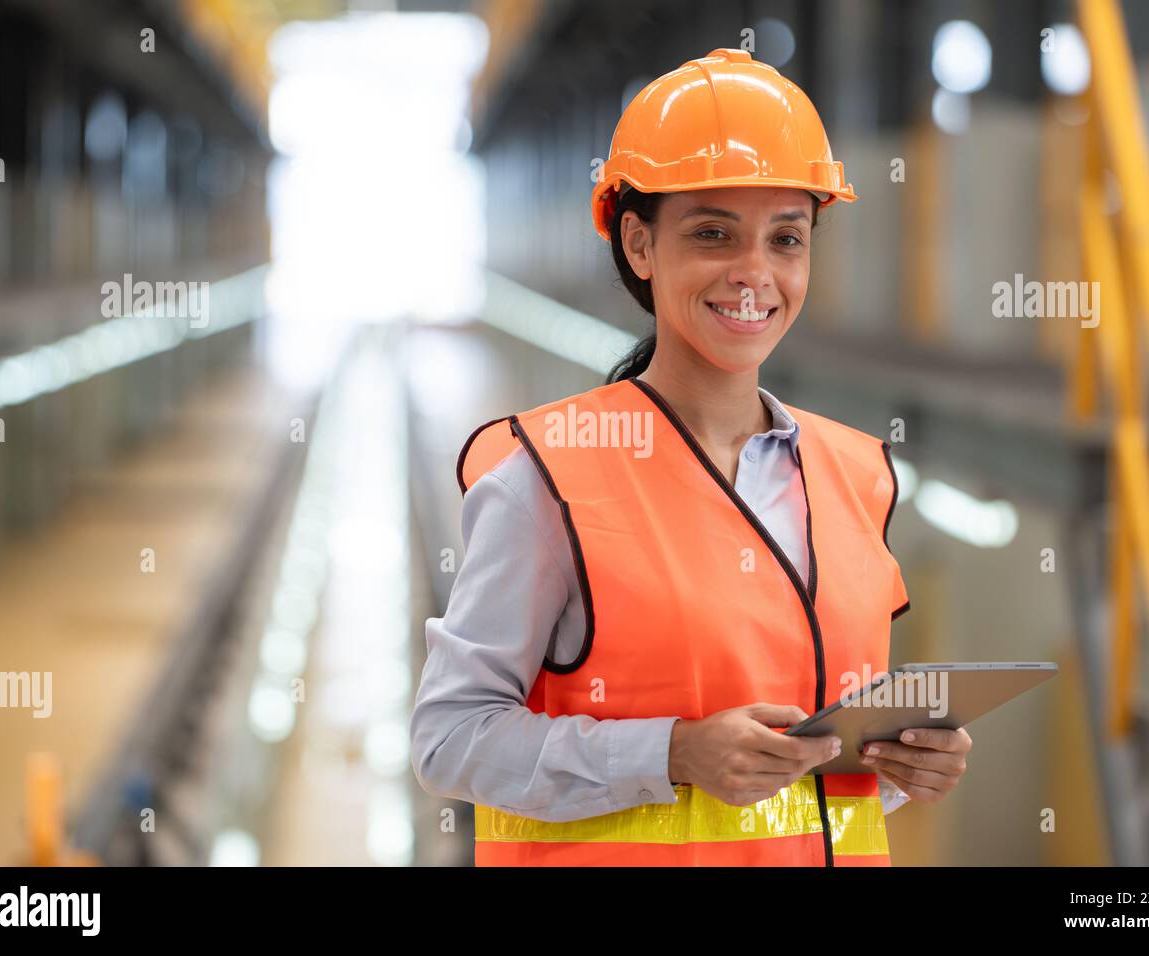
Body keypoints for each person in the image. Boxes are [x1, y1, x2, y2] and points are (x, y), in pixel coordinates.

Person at [411, 47, 970, 866]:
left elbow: (809, 787)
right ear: (640, 245)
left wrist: (899, 766)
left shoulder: (854, 476)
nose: (755, 273)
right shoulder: (552, 476)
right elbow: (449, 740)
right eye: (713, 233)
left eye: (787, 238)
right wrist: (670, 753)